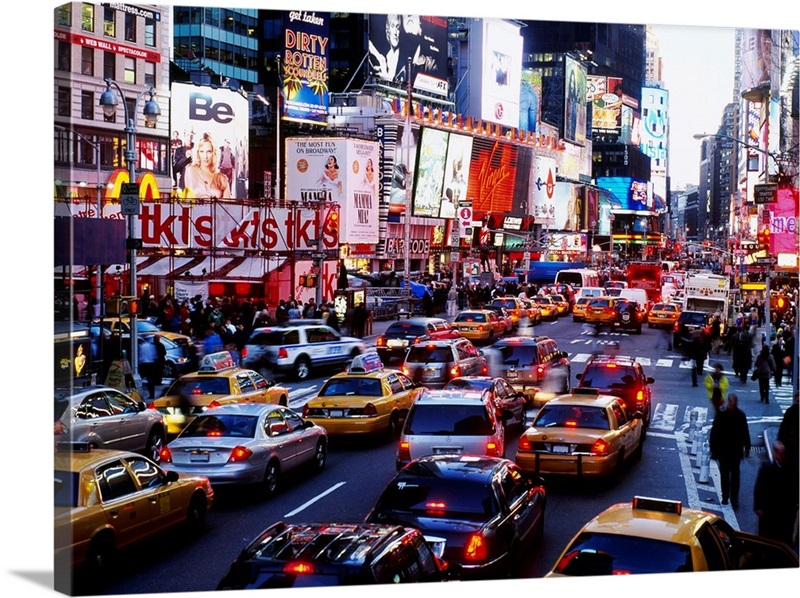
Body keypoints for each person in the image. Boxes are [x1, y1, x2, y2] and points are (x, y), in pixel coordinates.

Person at [709, 393, 751, 508]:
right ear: (729, 403)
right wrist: (713, 448)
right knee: (725, 474)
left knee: (735, 475)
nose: (733, 405)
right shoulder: (722, 414)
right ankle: (725, 496)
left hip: (735, 450)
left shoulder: (740, 415)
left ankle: (734, 498)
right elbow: (715, 432)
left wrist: (747, 446)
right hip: (724, 450)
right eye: (731, 403)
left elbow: (745, 431)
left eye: (734, 404)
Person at [753, 441, 798, 547]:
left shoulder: (790, 469)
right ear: (774, 452)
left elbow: (794, 489)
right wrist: (758, 506)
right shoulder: (766, 468)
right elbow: (759, 488)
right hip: (769, 512)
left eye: (782, 453)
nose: (781, 456)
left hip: (784, 513)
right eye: (778, 453)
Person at [182, 132, 232, 199]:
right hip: (195, 209)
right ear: (197, 153)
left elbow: (228, 207)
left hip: (217, 209)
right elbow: (188, 199)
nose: (205, 156)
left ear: (214, 153)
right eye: (202, 151)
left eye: (209, 152)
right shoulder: (191, 170)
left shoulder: (221, 178)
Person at [368, 14, 402, 81]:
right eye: (392, 26)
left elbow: (391, 80)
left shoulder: (401, 54)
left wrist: (383, 73)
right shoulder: (389, 55)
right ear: (388, 30)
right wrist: (382, 69)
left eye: (398, 27)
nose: (395, 32)